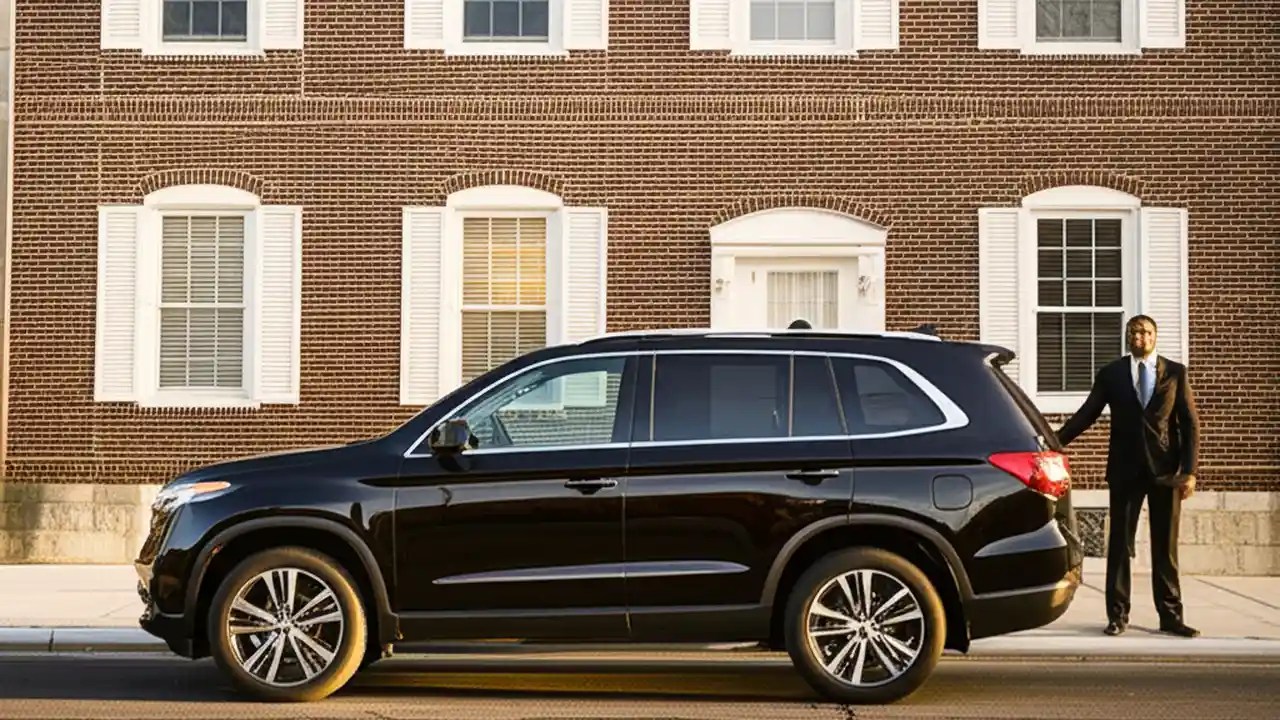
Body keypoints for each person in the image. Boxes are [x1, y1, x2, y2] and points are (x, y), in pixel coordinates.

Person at [1056, 314, 1201, 638]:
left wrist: (1189, 471)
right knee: (1120, 546)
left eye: (1147, 332)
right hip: (1124, 471)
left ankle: (1171, 617)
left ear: (1155, 336)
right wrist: (1053, 442)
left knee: (1166, 548)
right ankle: (1117, 616)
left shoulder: (1176, 373)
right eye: (1135, 332)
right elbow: (1086, 414)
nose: (1141, 337)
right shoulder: (1112, 374)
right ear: (1127, 336)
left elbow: (1189, 425)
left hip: (1166, 472)